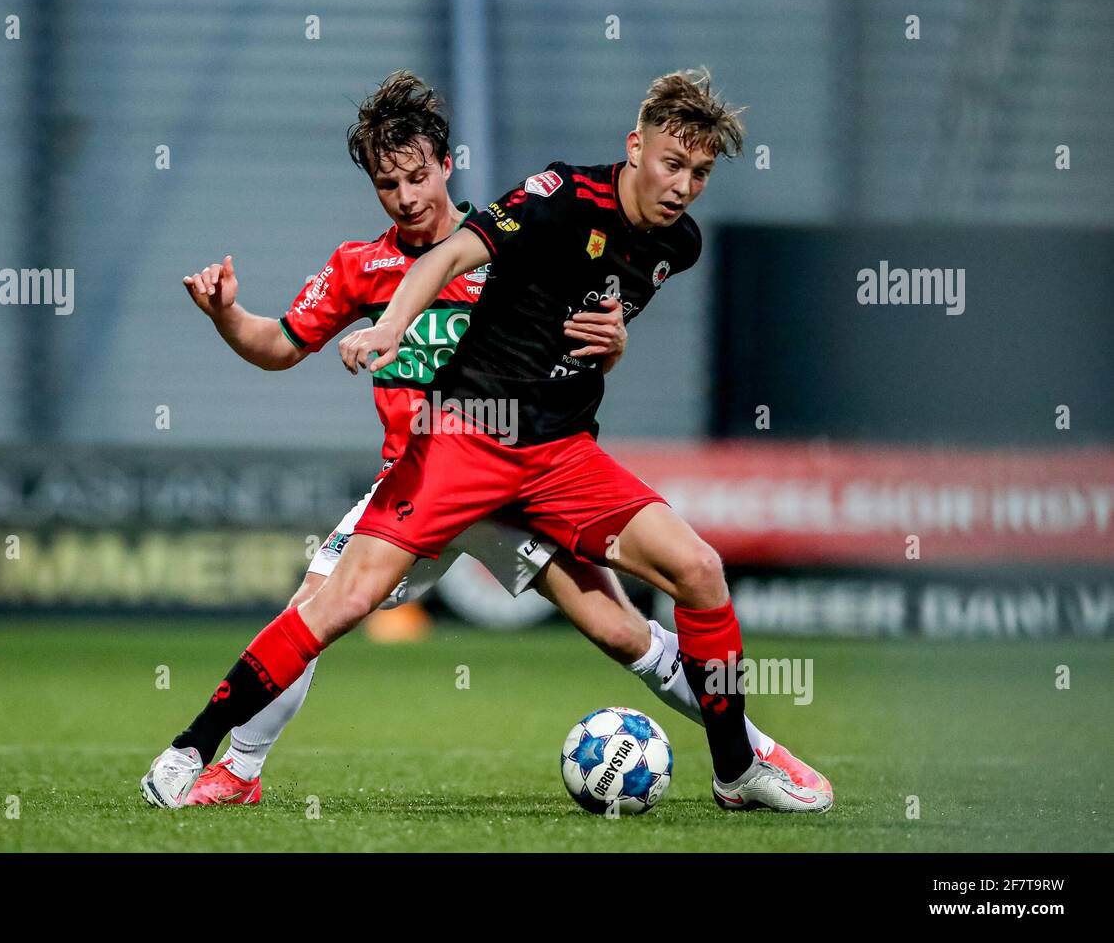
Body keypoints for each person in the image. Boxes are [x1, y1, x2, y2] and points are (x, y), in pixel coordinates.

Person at [145, 70, 831, 814]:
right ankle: (212, 757)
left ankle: (744, 759)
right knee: (325, 604)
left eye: (417, 176)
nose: (406, 197)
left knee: (649, 606)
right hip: (447, 454)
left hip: (549, 455)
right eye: (387, 184)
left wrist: (617, 345)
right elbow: (281, 342)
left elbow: (583, 324)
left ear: (446, 164)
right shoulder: (402, 254)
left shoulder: (600, 239)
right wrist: (306, 320)